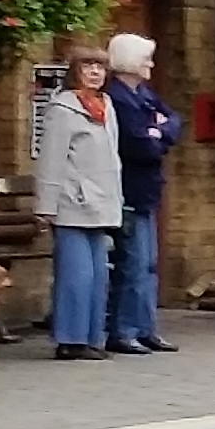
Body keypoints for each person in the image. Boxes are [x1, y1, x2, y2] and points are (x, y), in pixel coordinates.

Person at [30, 50, 125, 360]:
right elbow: (50, 160)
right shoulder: (62, 108)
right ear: (75, 71)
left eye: (100, 66)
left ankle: (91, 338)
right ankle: (70, 340)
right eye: (88, 66)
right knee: (76, 275)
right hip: (72, 202)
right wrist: (46, 206)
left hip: (101, 203)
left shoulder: (107, 105)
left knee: (99, 276)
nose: (95, 72)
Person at [101, 32, 180, 353]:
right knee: (132, 263)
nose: (151, 63)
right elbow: (138, 145)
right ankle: (123, 329)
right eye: (146, 57)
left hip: (147, 190)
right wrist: (156, 133)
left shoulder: (144, 93)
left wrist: (158, 131)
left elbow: (175, 120)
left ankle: (145, 327)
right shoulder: (118, 98)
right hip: (128, 190)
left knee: (149, 263)